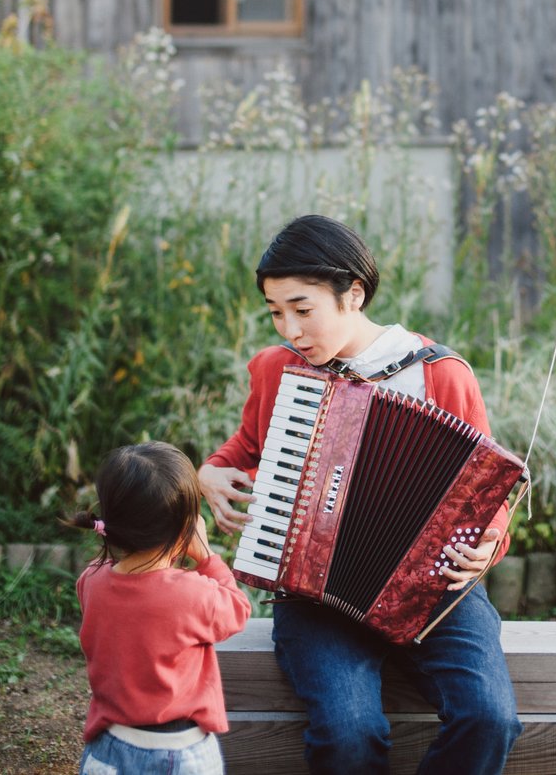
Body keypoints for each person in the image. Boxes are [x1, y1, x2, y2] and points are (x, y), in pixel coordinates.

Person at [199, 214, 523, 775]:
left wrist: (487, 547)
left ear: (353, 294)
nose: (290, 331)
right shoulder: (280, 371)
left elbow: (489, 495)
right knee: (350, 733)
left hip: (436, 588)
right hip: (313, 594)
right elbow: (245, 447)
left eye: (303, 310)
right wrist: (210, 472)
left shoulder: (441, 374)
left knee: (490, 718)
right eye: (276, 313)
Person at [67, 440, 251, 775]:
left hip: (108, 749)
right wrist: (207, 557)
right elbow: (238, 610)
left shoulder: (90, 582)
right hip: (183, 755)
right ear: (184, 529)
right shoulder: (194, 594)